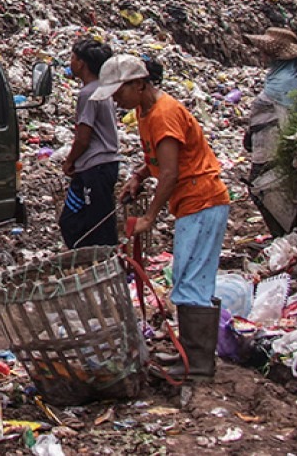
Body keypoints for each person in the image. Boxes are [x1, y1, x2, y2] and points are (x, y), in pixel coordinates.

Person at [99, 54, 230, 381]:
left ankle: (198, 365)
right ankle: (191, 355)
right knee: (189, 278)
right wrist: (141, 175)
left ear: (139, 84)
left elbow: (170, 172)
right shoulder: (144, 111)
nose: (116, 99)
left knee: (191, 283)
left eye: (119, 91)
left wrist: (148, 217)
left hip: (201, 200)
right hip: (192, 203)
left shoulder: (164, 114)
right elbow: (160, 158)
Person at [242, 27, 297, 235]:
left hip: (272, 149)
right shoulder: (278, 76)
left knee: (265, 190)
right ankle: (284, 235)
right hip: (263, 144)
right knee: (263, 190)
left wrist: (285, 152)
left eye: (265, 51)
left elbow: (287, 119)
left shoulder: (286, 82)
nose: (262, 55)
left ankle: (285, 236)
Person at [58, 39, 121, 249]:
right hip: (99, 167)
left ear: (82, 64)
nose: (71, 62)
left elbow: (83, 138)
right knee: (81, 219)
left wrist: (69, 161)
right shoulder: (102, 89)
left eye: (73, 58)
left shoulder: (89, 93)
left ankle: (104, 264)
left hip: (96, 168)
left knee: (96, 225)